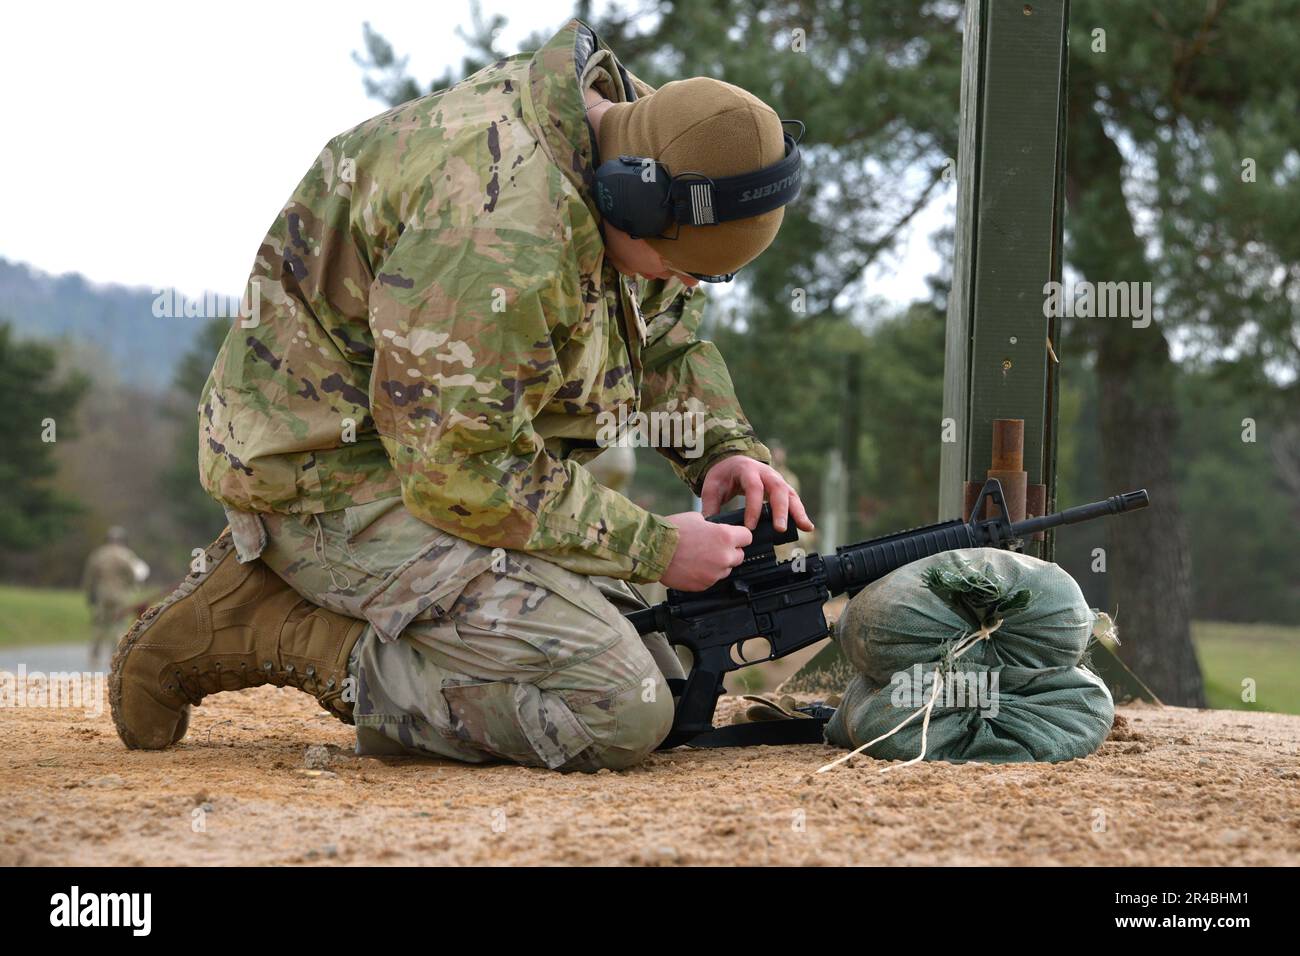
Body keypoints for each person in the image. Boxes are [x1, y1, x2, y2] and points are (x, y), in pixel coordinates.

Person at [111, 19, 812, 771]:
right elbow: (462, 472)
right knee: (616, 710)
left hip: (449, 459)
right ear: (629, 202)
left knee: (664, 668)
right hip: (330, 480)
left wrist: (721, 450)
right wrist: (654, 547)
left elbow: (661, 328)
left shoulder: (649, 140)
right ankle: (266, 623)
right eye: (675, 266)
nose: (680, 286)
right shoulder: (495, 237)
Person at [82, 527, 147, 668]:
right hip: (121, 595)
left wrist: (89, 594)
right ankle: (116, 656)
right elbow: (134, 574)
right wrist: (132, 587)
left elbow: (89, 577)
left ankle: (94, 656)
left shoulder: (98, 554)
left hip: (102, 594)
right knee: (119, 625)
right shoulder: (127, 555)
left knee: (99, 624)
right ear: (122, 540)